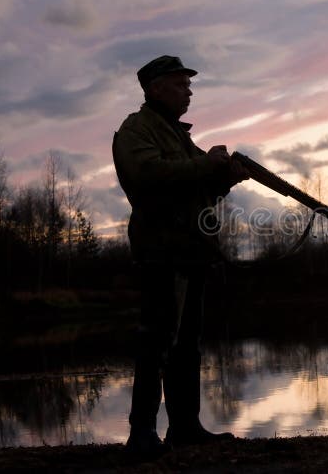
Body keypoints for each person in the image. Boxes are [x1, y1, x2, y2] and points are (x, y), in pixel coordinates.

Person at [112, 55, 248, 457]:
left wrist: (223, 177)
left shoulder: (176, 134)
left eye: (189, 84)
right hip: (162, 250)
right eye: (180, 83)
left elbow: (193, 186)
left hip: (190, 249)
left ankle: (185, 426)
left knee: (187, 343)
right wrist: (204, 164)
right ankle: (142, 433)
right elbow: (147, 176)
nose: (189, 91)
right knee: (156, 341)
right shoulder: (136, 130)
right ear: (154, 88)